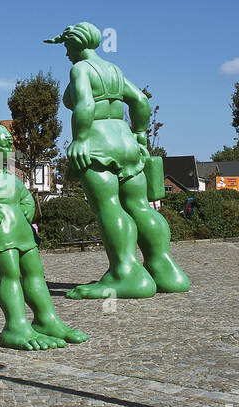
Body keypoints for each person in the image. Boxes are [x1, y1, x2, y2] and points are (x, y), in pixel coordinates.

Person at [46, 22, 190, 299]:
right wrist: (139, 134)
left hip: (99, 144)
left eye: (67, 47)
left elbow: (85, 104)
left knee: (109, 205)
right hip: (126, 143)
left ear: (76, 45)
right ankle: (165, 270)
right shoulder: (114, 70)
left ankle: (126, 273)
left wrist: (81, 139)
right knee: (141, 205)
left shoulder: (80, 69)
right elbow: (140, 101)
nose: (65, 53)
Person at [0, 122, 86, 350]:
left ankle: (47, 320)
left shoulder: (10, 176)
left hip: (23, 232)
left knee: (35, 274)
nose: (10, 142)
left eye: (10, 139)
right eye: (5, 139)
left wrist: (27, 207)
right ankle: (15, 326)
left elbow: (25, 196)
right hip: (1, 233)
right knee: (11, 276)